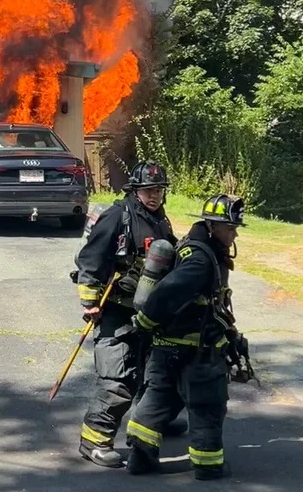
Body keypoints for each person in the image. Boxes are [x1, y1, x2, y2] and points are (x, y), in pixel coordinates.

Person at [124, 194, 246, 481]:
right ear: (213, 226)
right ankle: (208, 466)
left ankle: (140, 459)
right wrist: (146, 319)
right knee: (207, 406)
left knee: (157, 400)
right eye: (230, 227)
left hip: (167, 347)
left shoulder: (196, 248)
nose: (235, 233)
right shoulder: (201, 259)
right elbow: (169, 292)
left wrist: (147, 324)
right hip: (198, 351)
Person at [73, 160, 178, 468]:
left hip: (149, 312)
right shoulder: (118, 217)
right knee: (117, 378)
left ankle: (151, 424)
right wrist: (90, 301)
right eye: (148, 190)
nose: (155, 195)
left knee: (154, 373)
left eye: (159, 190)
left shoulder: (160, 219)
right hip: (116, 310)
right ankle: (94, 441)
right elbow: (90, 258)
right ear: (135, 190)